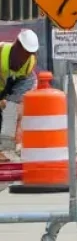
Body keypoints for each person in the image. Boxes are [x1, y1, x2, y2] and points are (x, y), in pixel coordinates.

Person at [0, 29, 39, 158]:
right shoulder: (1, 52)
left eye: (29, 54)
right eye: (24, 53)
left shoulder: (29, 64)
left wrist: (14, 103)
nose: (25, 57)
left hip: (8, 88)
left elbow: (24, 84)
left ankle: (6, 146)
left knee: (11, 111)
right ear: (17, 46)